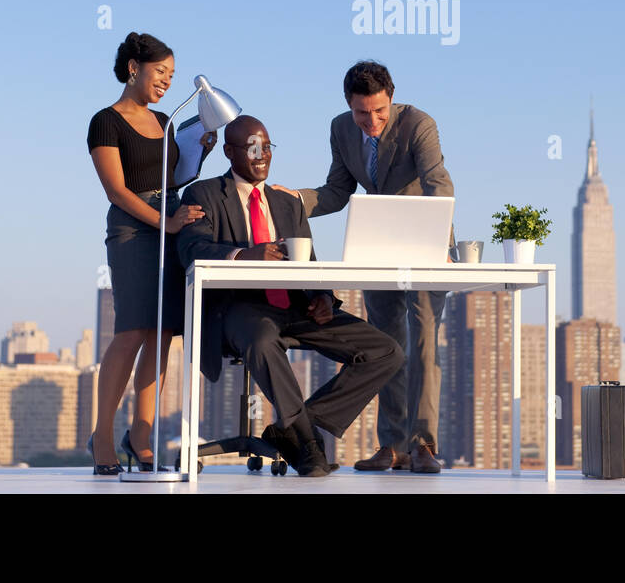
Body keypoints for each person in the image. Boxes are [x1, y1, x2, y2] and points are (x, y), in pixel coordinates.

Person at [177, 115, 404, 478]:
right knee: (263, 338)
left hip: (295, 308)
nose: (261, 154)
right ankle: (308, 445)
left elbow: (308, 263)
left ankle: (296, 429)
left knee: (386, 351)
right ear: (229, 151)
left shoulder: (287, 203)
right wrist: (245, 255)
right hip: (237, 308)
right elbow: (192, 248)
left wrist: (324, 298)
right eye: (252, 147)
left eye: (266, 147)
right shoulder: (203, 194)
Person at [272, 60, 453, 473]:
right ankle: (392, 446)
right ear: (348, 106)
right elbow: (337, 192)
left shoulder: (418, 124)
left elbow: (436, 182)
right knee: (386, 346)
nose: (371, 121)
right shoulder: (340, 128)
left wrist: (441, 241)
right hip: (380, 247)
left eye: (379, 112)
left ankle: (423, 446)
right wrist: (293, 199)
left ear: (391, 99)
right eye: (361, 113)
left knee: (423, 341)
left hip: (428, 245)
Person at [87, 32, 213, 473]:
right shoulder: (106, 121)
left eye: (172, 75)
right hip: (134, 229)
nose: (167, 82)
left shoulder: (165, 120)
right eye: (161, 72)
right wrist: (167, 222)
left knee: (161, 334)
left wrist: (198, 152)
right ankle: (101, 435)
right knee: (131, 331)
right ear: (134, 68)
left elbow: (173, 177)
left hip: (172, 219)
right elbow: (117, 190)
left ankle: (140, 435)